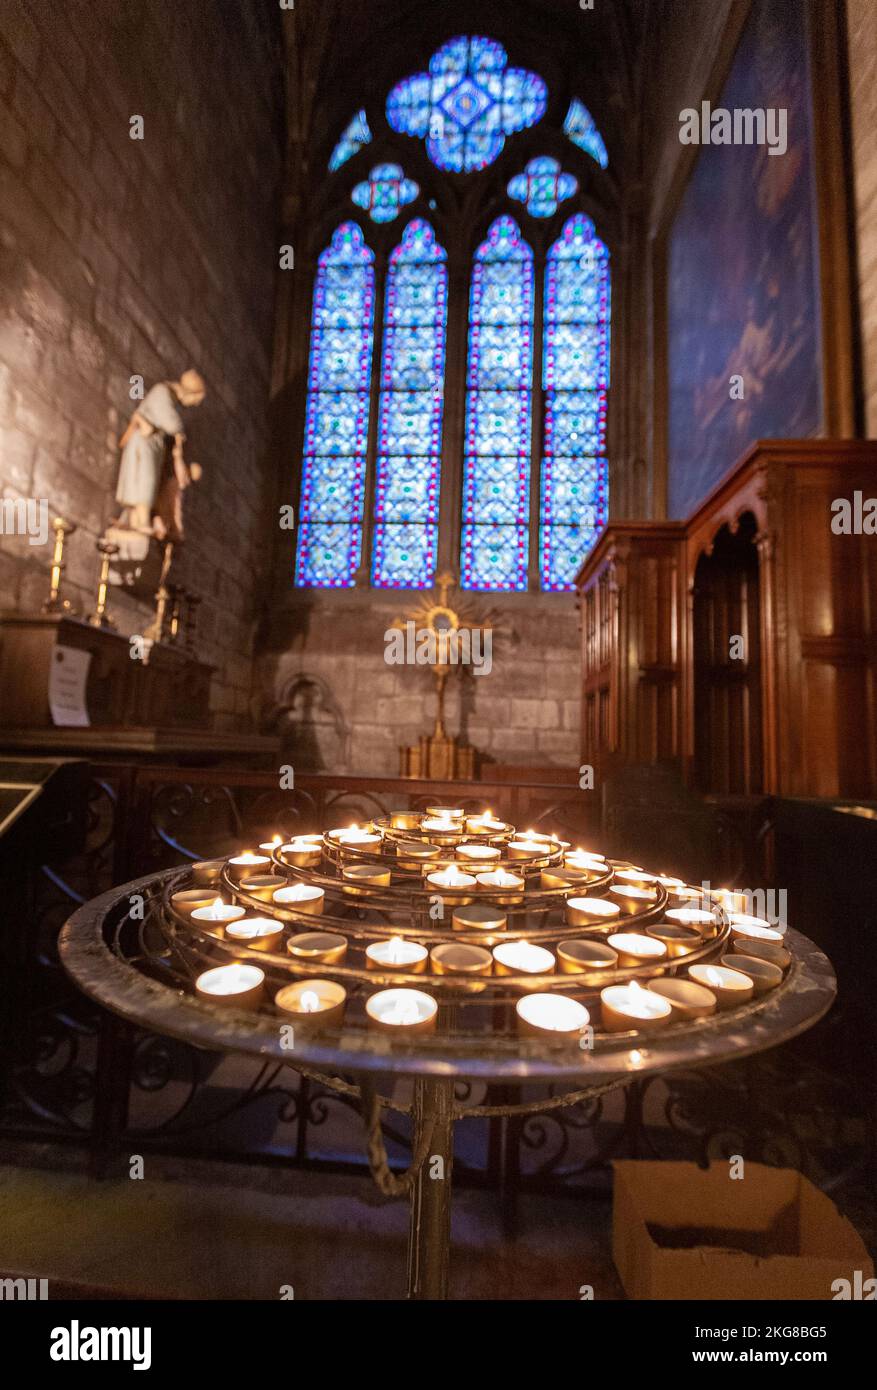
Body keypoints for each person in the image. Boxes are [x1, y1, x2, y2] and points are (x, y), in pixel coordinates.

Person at [115, 370, 206, 538]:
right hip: (142, 443)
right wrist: (180, 433)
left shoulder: (169, 397)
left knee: (146, 483)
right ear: (189, 392)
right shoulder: (162, 392)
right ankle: (139, 522)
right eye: (194, 400)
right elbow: (171, 422)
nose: (193, 404)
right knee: (144, 482)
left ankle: (137, 522)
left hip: (151, 446)